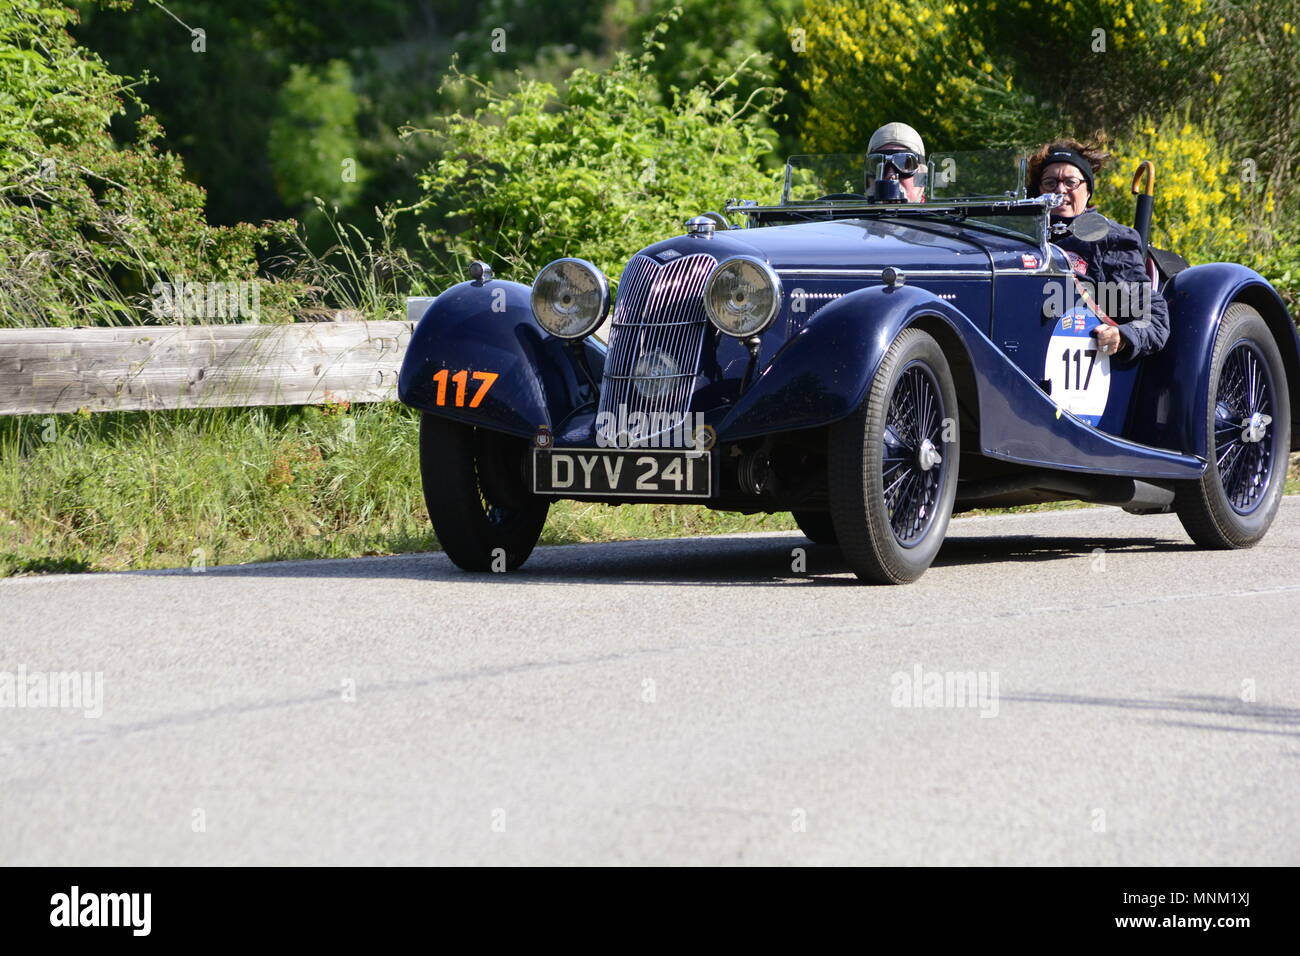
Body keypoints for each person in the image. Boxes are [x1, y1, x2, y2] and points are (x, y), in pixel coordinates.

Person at [1028, 140, 1168, 359]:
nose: (1060, 189)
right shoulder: (1017, 237)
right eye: (1050, 182)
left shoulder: (1109, 238)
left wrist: (1122, 336)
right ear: (1038, 190)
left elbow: (1153, 317)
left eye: (1071, 182)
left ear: (1088, 191)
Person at [868, 122, 927, 203]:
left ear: (922, 173)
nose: (891, 176)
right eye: (879, 165)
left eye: (905, 164)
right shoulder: (852, 214)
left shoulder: (941, 214)